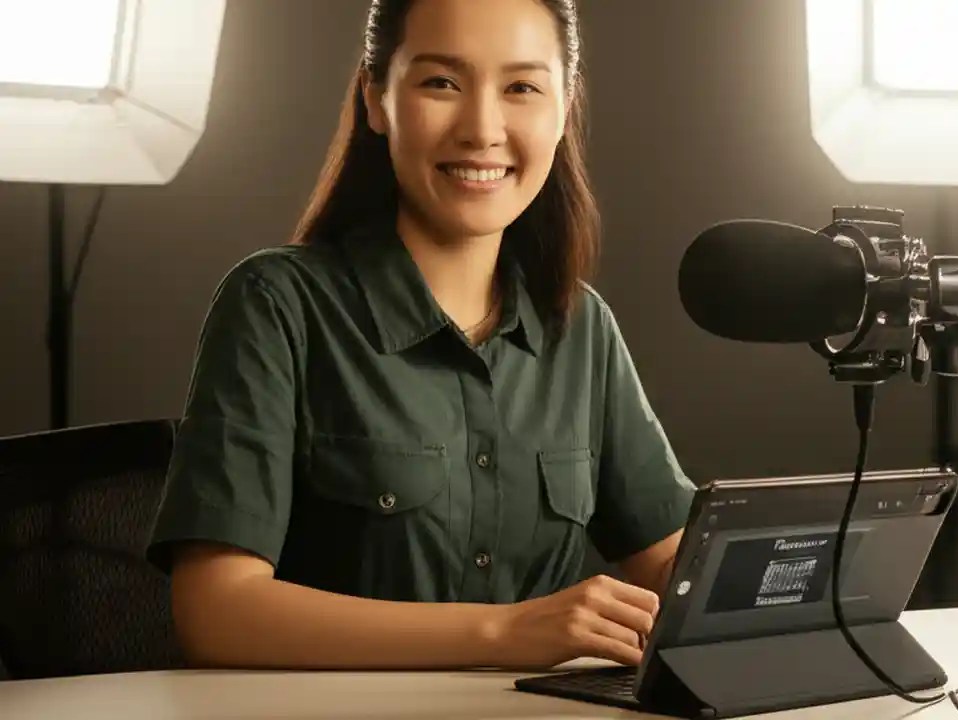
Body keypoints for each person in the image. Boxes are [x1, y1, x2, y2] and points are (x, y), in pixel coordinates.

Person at [146, 0, 696, 672]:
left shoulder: (578, 326)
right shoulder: (277, 304)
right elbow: (217, 611)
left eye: (522, 87)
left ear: (564, 109)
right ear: (376, 98)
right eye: (442, 83)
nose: (482, 129)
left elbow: (674, 563)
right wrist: (503, 633)